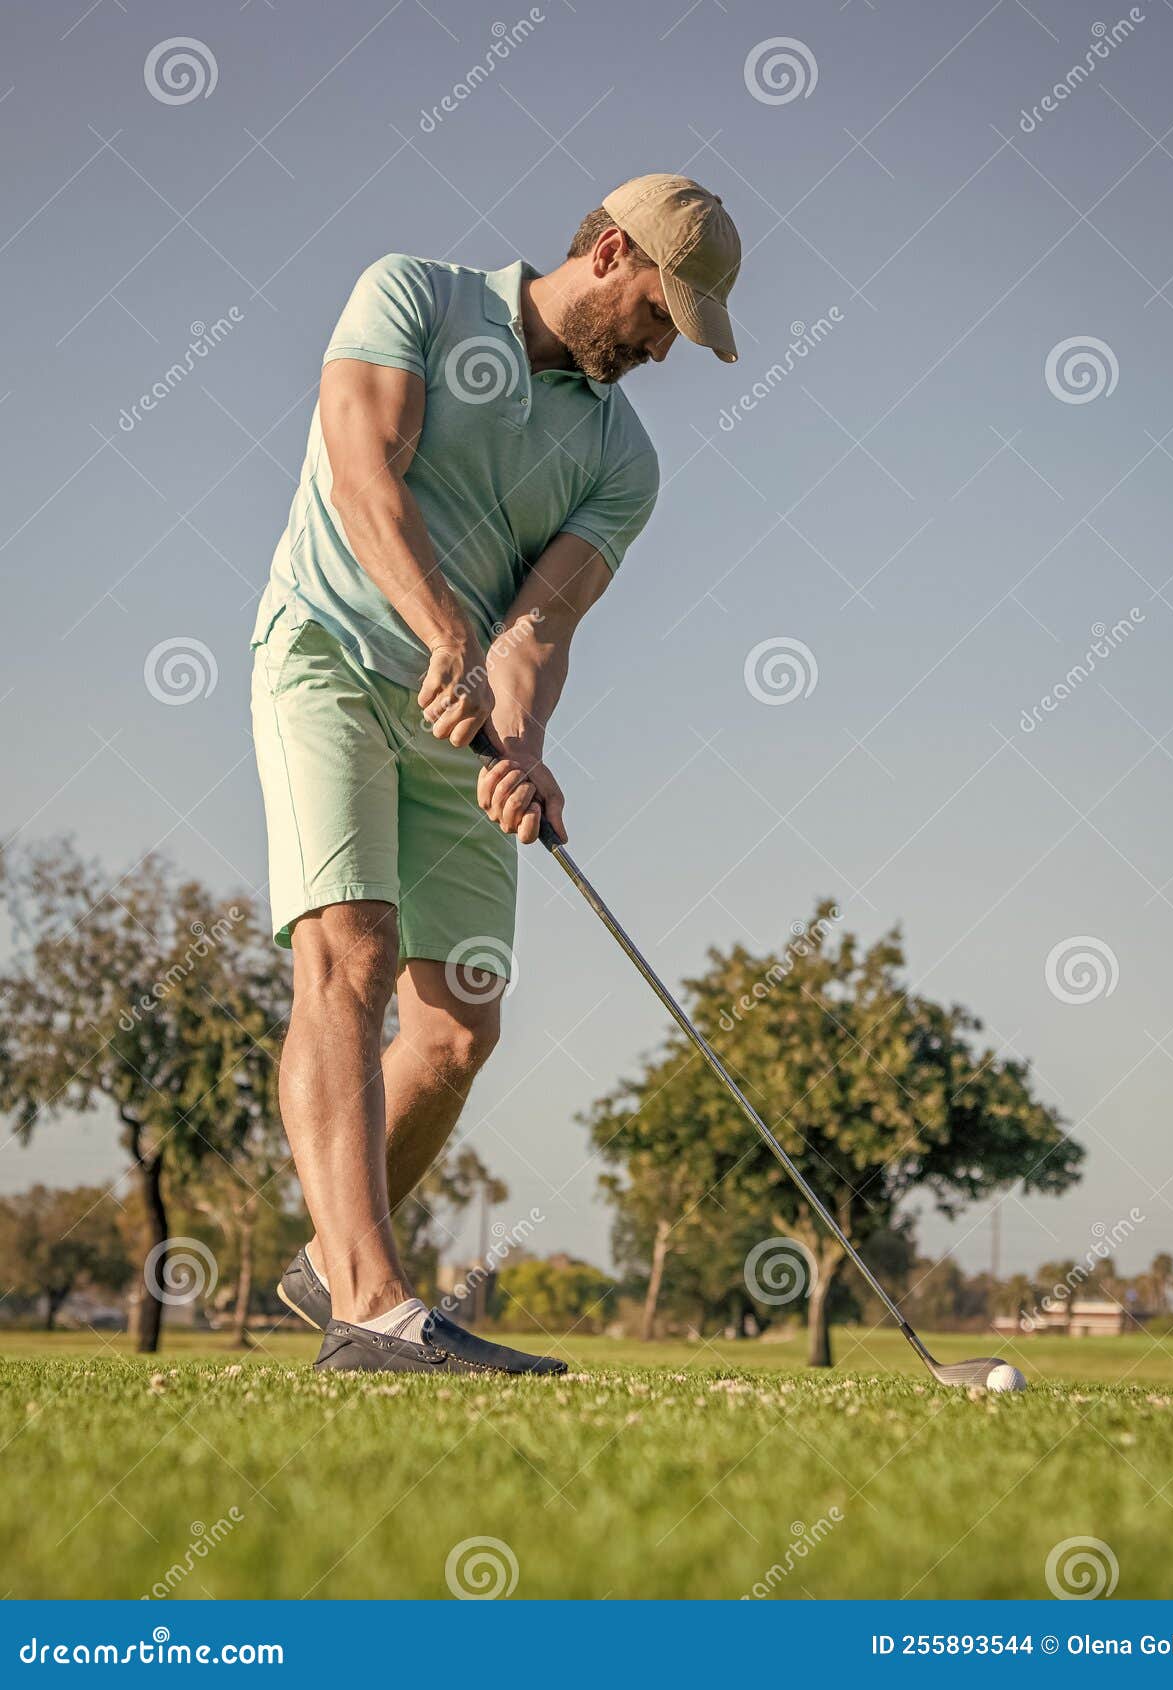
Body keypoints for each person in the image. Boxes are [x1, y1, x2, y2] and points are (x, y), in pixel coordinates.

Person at [250, 174, 741, 1376]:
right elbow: (365, 473)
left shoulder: (623, 454)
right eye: (663, 316)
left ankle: (331, 1260)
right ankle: (373, 1308)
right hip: (331, 662)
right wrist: (444, 636)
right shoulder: (414, 295)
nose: (664, 351)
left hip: (458, 720)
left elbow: (542, 625)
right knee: (350, 952)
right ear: (611, 253)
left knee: (461, 1024)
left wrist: (520, 745)